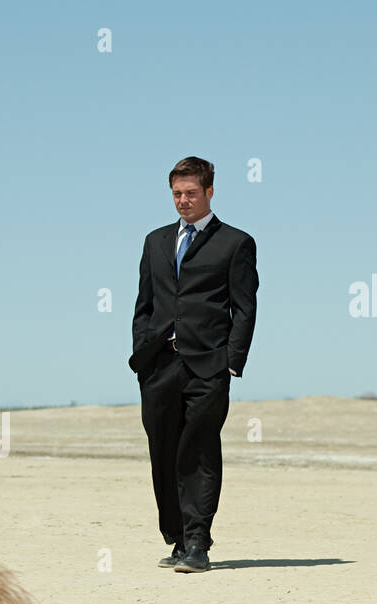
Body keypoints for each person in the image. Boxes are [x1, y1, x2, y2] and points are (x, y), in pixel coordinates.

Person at [129, 156, 258, 573]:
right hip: (159, 366)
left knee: (198, 451)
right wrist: (142, 356)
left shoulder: (236, 243)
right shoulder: (155, 241)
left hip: (207, 367)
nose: (183, 201)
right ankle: (178, 538)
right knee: (163, 453)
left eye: (191, 193)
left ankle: (199, 544)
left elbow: (245, 308)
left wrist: (231, 362)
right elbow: (144, 304)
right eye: (177, 194)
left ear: (209, 193)